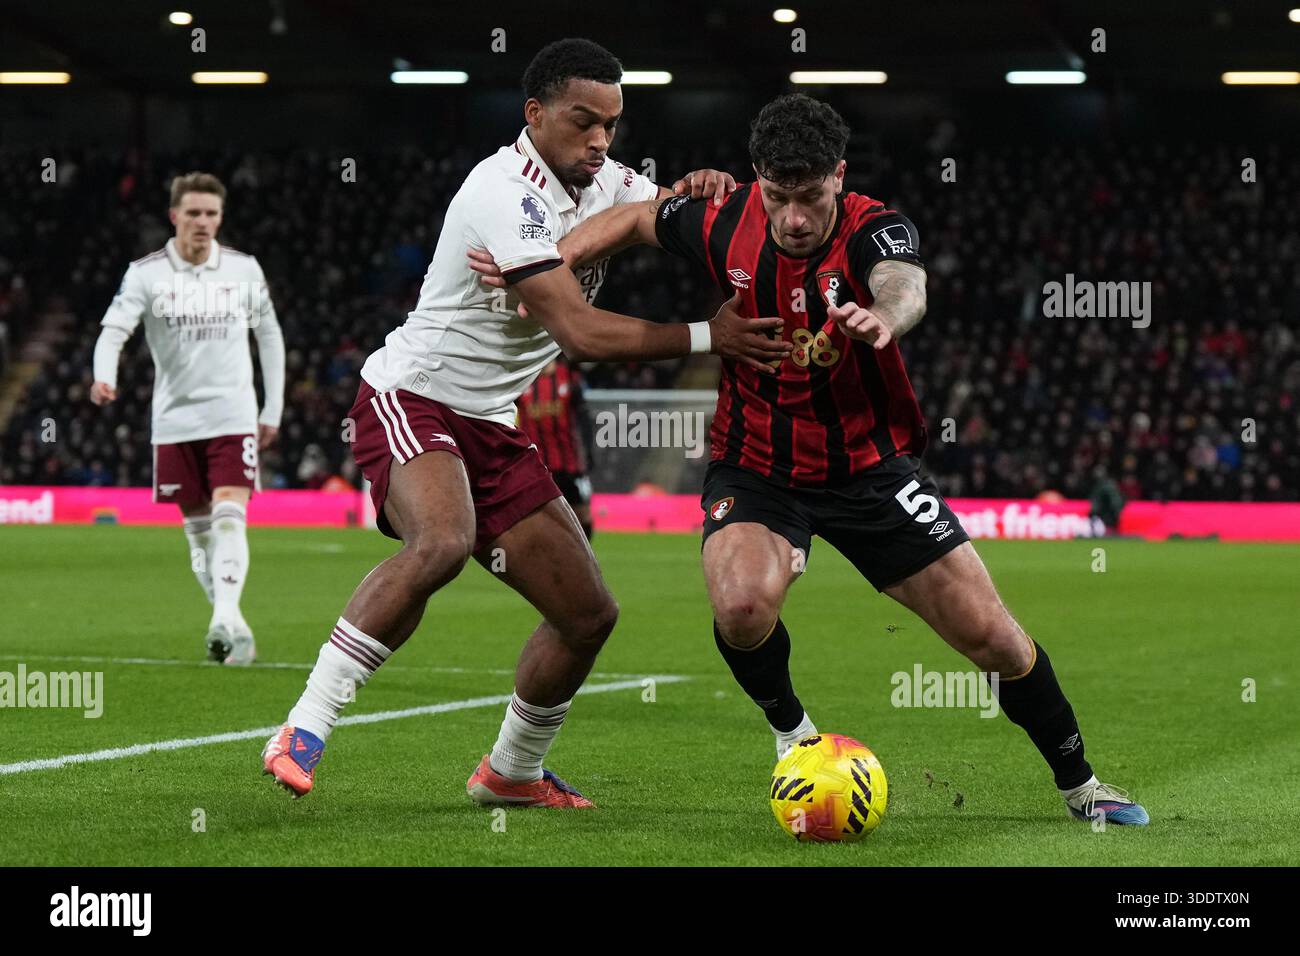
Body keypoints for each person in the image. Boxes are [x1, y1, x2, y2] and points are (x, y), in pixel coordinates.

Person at [477, 93, 1148, 826]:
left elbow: (906, 283)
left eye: (810, 196)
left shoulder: (874, 226)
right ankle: (794, 736)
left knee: (993, 637)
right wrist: (549, 261)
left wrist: (883, 317)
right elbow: (640, 217)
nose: (794, 217)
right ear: (756, 179)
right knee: (739, 606)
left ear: (839, 174)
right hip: (756, 465)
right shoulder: (725, 219)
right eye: (778, 196)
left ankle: (1083, 785)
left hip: (869, 469)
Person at [261, 38, 789, 806]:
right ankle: (303, 727)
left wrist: (704, 192)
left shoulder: (605, 180)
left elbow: (665, 216)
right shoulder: (500, 192)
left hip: (493, 425)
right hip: (414, 397)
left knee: (587, 614)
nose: (601, 140)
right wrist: (712, 334)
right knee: (442, 541)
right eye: (584, 122)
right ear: (535, 114)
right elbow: (580, 333)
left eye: (612, 123)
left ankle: (511, 771)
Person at [91, 171, 284, 666]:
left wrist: (272, 408)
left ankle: (224, 618)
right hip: (175, 420)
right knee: (198, 531)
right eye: (194, 213)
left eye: (211, 214)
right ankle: (230, 621)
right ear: (174, 215)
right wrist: (103, 375)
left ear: (221, 218)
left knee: (228, 516)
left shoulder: (242, 270)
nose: (203, 222)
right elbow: (114, 328)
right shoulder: (146, 273)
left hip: (232, 413)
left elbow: (270, 338)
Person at [516, 355, 595, 538]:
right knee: (535, 518)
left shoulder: (568, 377)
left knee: (583, 515)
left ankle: (581, 559)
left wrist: (589, 451)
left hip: (569, 464)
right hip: (537, 466)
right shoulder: (523, 380)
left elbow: (584, 418)